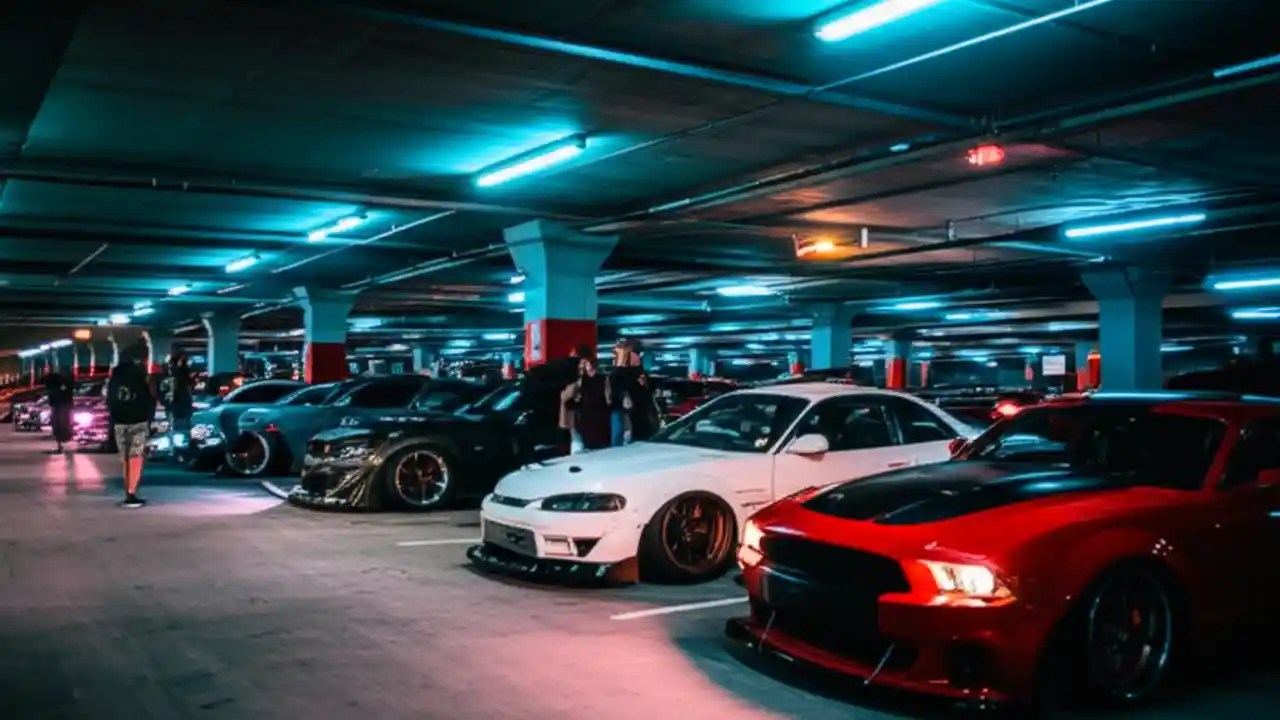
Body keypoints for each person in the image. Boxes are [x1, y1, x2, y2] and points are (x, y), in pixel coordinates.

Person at [107, 341, 157, 508]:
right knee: (135, 457)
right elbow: (150, 397)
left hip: (120, 421)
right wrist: (149, 417)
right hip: (138, 420)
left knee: (125, 458)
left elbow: (109, 399)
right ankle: (131, 492)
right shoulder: (142, 375)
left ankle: (128, 490)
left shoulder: (115, 375)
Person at [566, 356, 611, 451]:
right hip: (591, 412)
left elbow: (607, 396)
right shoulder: (583, 380)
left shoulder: (587, 379)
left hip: (593, 411)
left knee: (595, 437)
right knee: (595, 437)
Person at [164, 350, 194, 464]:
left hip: (177, 405)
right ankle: (181, 450)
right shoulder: (181, 376)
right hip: (181, 404)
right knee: (183, 428)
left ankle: (177, 450)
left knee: (177, 428)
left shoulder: (173, 376)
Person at [45, 371, 74, 454]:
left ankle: (61, 442)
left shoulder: (56, 386)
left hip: (60, 405)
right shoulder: (64, 384)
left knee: (60, 423)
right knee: (61, 423)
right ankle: (62, 441)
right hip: (61, 405)